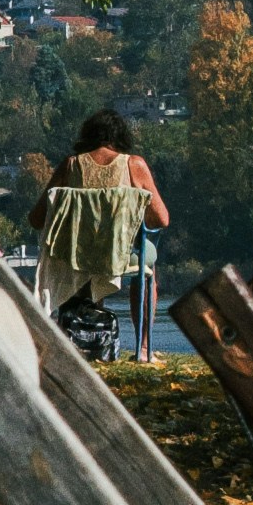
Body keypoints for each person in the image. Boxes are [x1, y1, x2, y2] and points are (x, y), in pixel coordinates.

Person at [37, 108, 170, 359]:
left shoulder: (71, 165)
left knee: (87, 265)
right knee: (147, 265)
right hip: (121, 255)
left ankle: (88, 344)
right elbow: (162, 219)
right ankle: (143, 348)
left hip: (77, 255)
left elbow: (36, 218)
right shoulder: (134, 165)